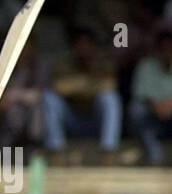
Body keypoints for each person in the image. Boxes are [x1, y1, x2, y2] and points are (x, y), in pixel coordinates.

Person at [42, 27, 122, 162]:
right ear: (73, 47)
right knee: (49, 98)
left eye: (87, 44)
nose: (83, 48)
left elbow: (110, 84)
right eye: (80, 44)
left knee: (110, 98)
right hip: (72, 120)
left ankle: (108, 151)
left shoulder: (103, 62)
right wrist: (89, 84)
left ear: (94, 46)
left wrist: (75, 85)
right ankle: (56, 150)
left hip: (96, 120)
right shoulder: (63, 63)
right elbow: (58, 86)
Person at [129, 29, 172, 165]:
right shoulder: (146, 65)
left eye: (170, 48)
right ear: (157, 50)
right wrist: (156, 106)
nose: (167, 52)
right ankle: (155, 155)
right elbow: (142, 95)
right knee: (136, 109)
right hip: (153, 117)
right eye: (163, 48)